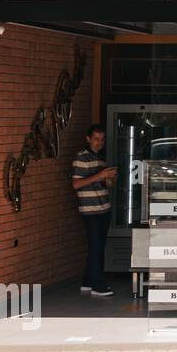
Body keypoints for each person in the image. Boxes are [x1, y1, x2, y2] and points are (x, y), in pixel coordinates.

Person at [72, 124, 117, 297]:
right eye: (96, 139)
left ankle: (88, 281)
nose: (100, 142)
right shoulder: (81, 158)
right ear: (88, 139)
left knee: (97, 247)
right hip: (90, 210)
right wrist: (100, 175)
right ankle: (99, 285)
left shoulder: (100, 159)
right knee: (96, 246)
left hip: (103, 208)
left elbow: (105, 185)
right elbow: (76, 184)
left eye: (102, 139)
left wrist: (110, 179)